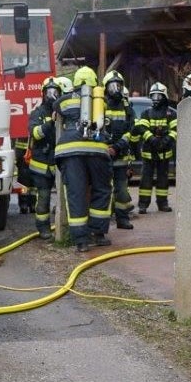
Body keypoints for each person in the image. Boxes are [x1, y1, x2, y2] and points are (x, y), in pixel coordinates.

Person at [53, 66, 113, 252]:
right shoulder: (100, 102)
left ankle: (81, 241)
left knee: (76, 192)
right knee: (102, 189)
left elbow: (55, 109)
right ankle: (99, 234)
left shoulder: (64, 101)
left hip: (70, 151)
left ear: (76, 82)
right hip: (97, 150)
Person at [27, 76, 68, 238]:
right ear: (42, 94)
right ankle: (43, 228)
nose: (52, 95)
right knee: (43, 197)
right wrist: (50, 122)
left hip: (59, 161)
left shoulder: (64, 112)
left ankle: (64, 226)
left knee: (64, 195)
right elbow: (35, 134)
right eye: (48, 92)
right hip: (42, 164)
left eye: (55, 92)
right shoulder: (37, 113)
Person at [133, 82, 177, 213]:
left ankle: (162, 204)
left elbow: (175, 129)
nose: (155, 99)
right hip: (148, 153)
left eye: (158, 96)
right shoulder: (147, 113)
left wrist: (166, 139)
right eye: (153, 96)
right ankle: (143, 205)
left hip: (165, 153)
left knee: (163, 181)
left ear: (164, 97)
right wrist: (151, 139)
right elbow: (142, 128)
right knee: (145, 181)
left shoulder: (171, 113)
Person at [102, 70, 137, 230]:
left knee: (122, 191)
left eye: (119, 86)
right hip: (103, 155)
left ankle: (122, 220)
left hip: (121, 155)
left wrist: (116, 147)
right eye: (112, 86)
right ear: (105, 88)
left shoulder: (127, 107)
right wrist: (106, 147)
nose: (116, 89)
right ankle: (103, 222)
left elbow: (130, 131)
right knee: (103, 190)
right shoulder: (100, 105)